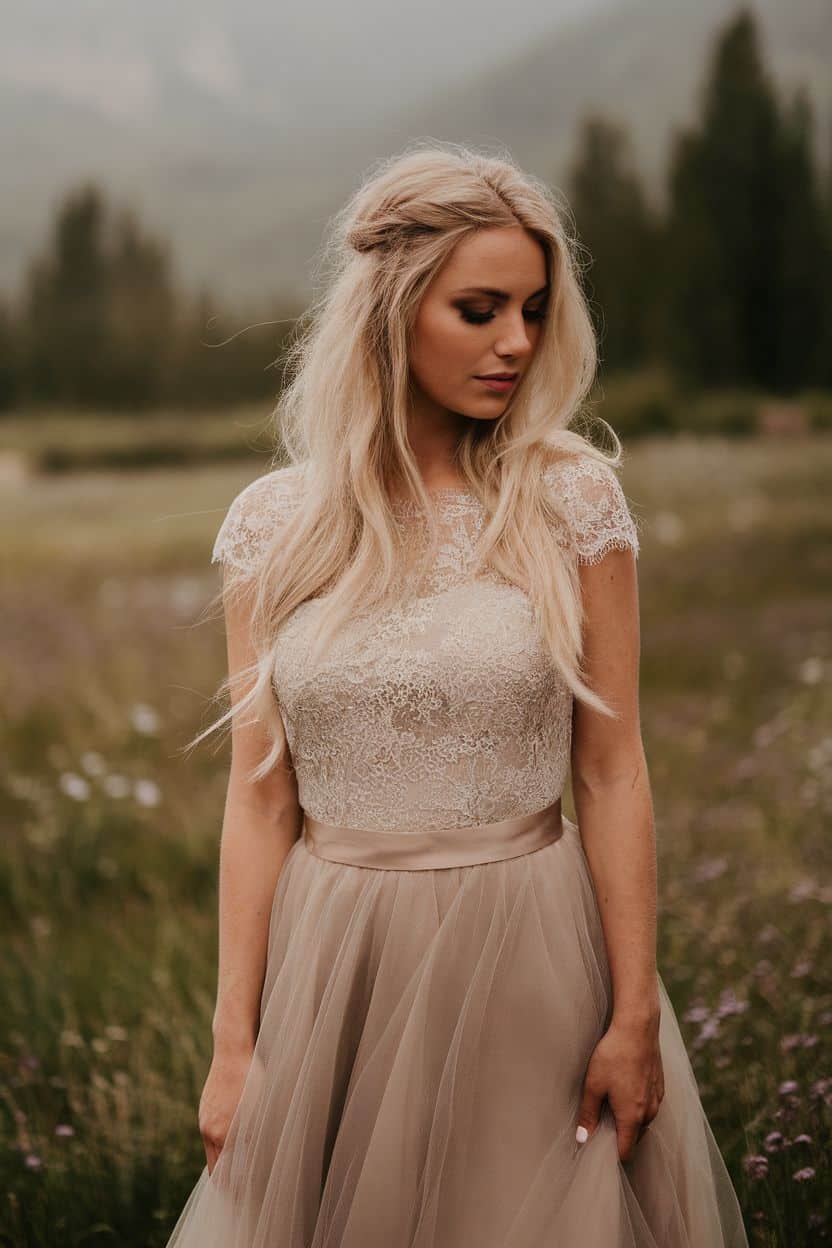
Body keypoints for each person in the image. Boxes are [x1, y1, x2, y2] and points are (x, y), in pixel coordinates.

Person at [165, 143, 749, 1246]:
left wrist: (631, 1015)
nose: (517, 343)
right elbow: (258, 800)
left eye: (532, 309)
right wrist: (233, 1045)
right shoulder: (270, 527)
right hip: (334, 957)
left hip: (533, 953)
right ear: (390, 312)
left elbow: (612, 767)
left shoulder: (571, 500)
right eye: (480, 309)